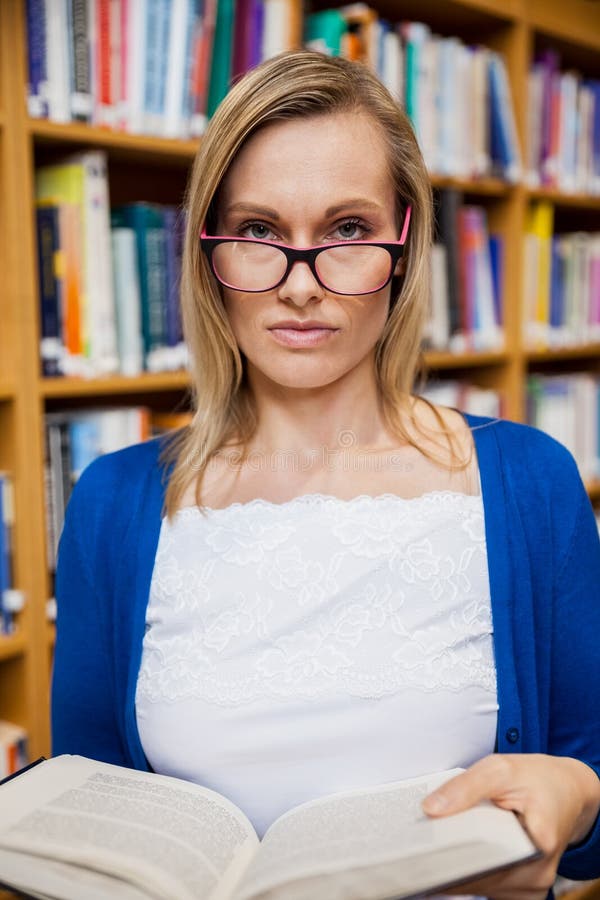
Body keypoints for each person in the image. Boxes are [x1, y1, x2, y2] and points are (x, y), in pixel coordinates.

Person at [52, 50, 600, 895]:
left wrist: (581, 796)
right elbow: (81, 819)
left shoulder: (528, 483)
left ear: (405, 247)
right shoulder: (114, 504)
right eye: (260, 231)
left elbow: (591, 781)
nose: (300, 285)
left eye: (346, 231)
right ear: (207, 255)